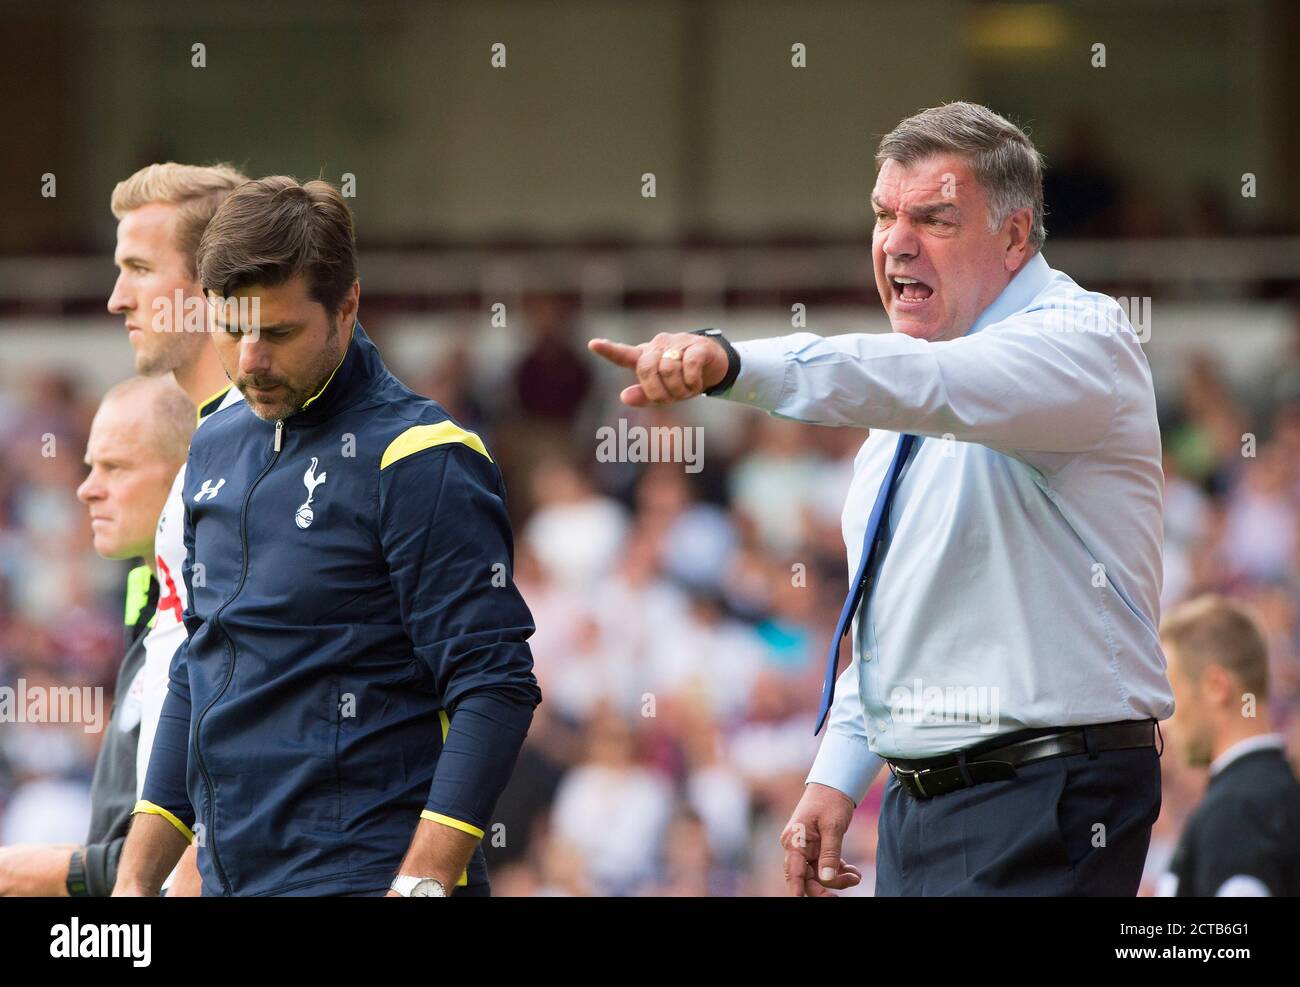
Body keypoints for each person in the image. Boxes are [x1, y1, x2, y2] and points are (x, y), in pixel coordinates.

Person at [590, 101, 1171, 896]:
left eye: (933, 218)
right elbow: (894, 616)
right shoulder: (914, 384)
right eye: (883, 215)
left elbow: (926, 385)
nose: (896, 242)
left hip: (1049, 790)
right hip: (921, 801)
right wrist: (837, 775)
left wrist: (731, 362)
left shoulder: (1080, 339)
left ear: (1015, 235)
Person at [113, 176, 541, 897]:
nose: (249, 360)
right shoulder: (214, 443)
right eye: (232, 328)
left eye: (278, 333)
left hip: (367, 877)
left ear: (347, 306)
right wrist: (133, 886)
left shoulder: (421, 456)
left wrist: (423, 883)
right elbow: (199, 661)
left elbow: (494, 683)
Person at [107, 161, 250, 894]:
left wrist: (194, 872)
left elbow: (251, 685)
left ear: (207, 287)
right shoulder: (209, 445)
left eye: (137, 268)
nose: (115, 298)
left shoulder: (259, 450)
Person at [0, 376, 193, 895]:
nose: (87, 487)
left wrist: (48, 874)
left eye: (116, 467)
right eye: (89, 467)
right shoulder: (149, 602)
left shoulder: (211, 621)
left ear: (184, 477)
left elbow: (204, 848)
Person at [1159, 594, 1300, 896]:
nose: (1165, 723)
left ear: (1216, 687)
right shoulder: (1279, 791)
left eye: (1172, 695)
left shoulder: (1236, 808)